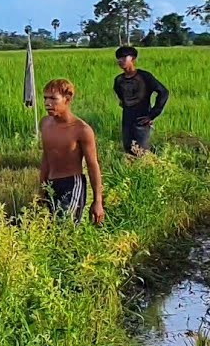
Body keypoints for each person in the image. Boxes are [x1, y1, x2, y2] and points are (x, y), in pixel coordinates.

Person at [39, 79, 105, 225]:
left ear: (67, 100)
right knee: (48, 227)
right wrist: (41, 188)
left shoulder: (81, 129)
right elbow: (46, 157)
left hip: (71, 184)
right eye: (45, 98)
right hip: (50, 184)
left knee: (64, 226)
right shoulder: (45, 123)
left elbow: (93, 165)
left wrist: (98, 201)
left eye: (53, 99)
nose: (47, 103)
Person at [113, 46, 169, 155]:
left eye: (124, 58)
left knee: (142, 153)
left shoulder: (145, 77)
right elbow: (121, 97)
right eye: (118, 58)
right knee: (128, 151)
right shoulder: (119, 80)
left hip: (142, 121)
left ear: (133, 59)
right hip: (127, 121)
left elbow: (163, 92)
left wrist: (153, 114)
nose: (120, 61)